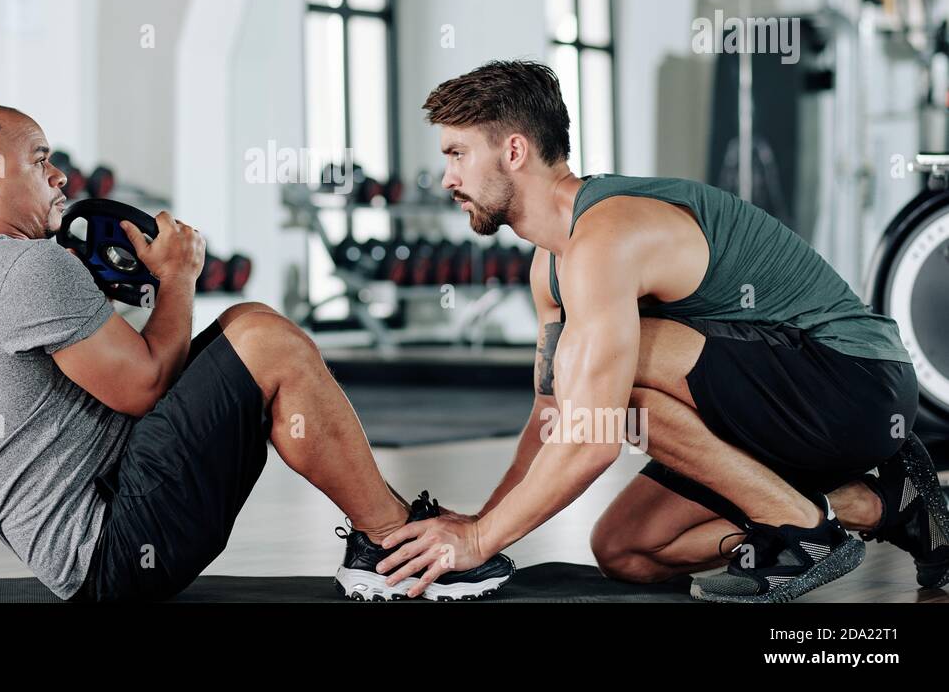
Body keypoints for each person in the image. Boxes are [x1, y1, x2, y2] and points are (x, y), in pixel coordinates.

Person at [376, 59, 948, 602]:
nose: (448, 177)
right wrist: (481, 527)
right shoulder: (549, 265)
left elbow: (593, 436)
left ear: (515, 151)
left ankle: (801, 529)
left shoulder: (608, 236)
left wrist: (479, 542)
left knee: (600, 378)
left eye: (457, 153)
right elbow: (551, 415)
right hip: (775, 410)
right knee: (627, 550)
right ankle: (873, 504)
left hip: (855, 384)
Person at [0, 105, 514, 601]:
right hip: (111, 556)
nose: (59, 178)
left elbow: (117, 379)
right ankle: (394, 548)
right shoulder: (27, 269)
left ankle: (383, 532)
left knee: (248, 321)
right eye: (39, 160)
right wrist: (177, 277)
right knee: (267, 346)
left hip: (101, 537)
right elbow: (148, 387)